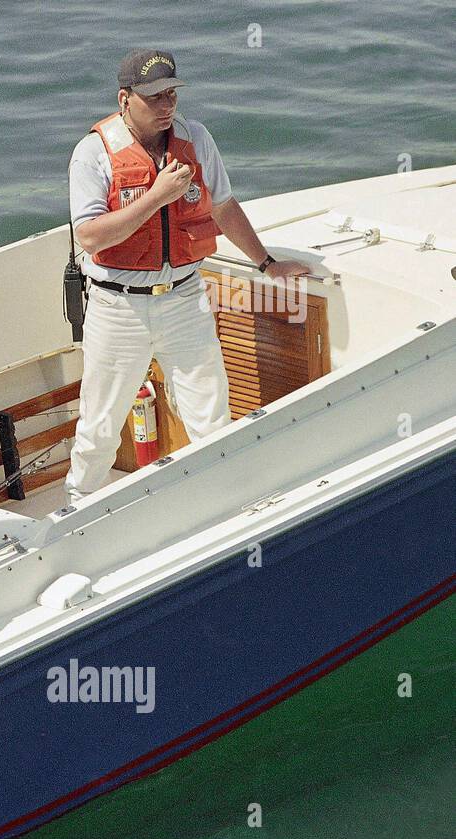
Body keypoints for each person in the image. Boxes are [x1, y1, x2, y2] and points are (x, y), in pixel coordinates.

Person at [66, 49, 311, 502]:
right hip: (119, 307)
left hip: (185, 298)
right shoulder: (93, 154)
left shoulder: (195, 139)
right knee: (100, 427)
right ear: (125, 100)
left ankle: (225, 504)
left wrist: (267, 264)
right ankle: (74, 511)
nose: (166, 106)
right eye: (154, 97)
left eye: (172, 94)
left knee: (211, 416)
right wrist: (157, 197)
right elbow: (91, 237)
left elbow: (222, 207)